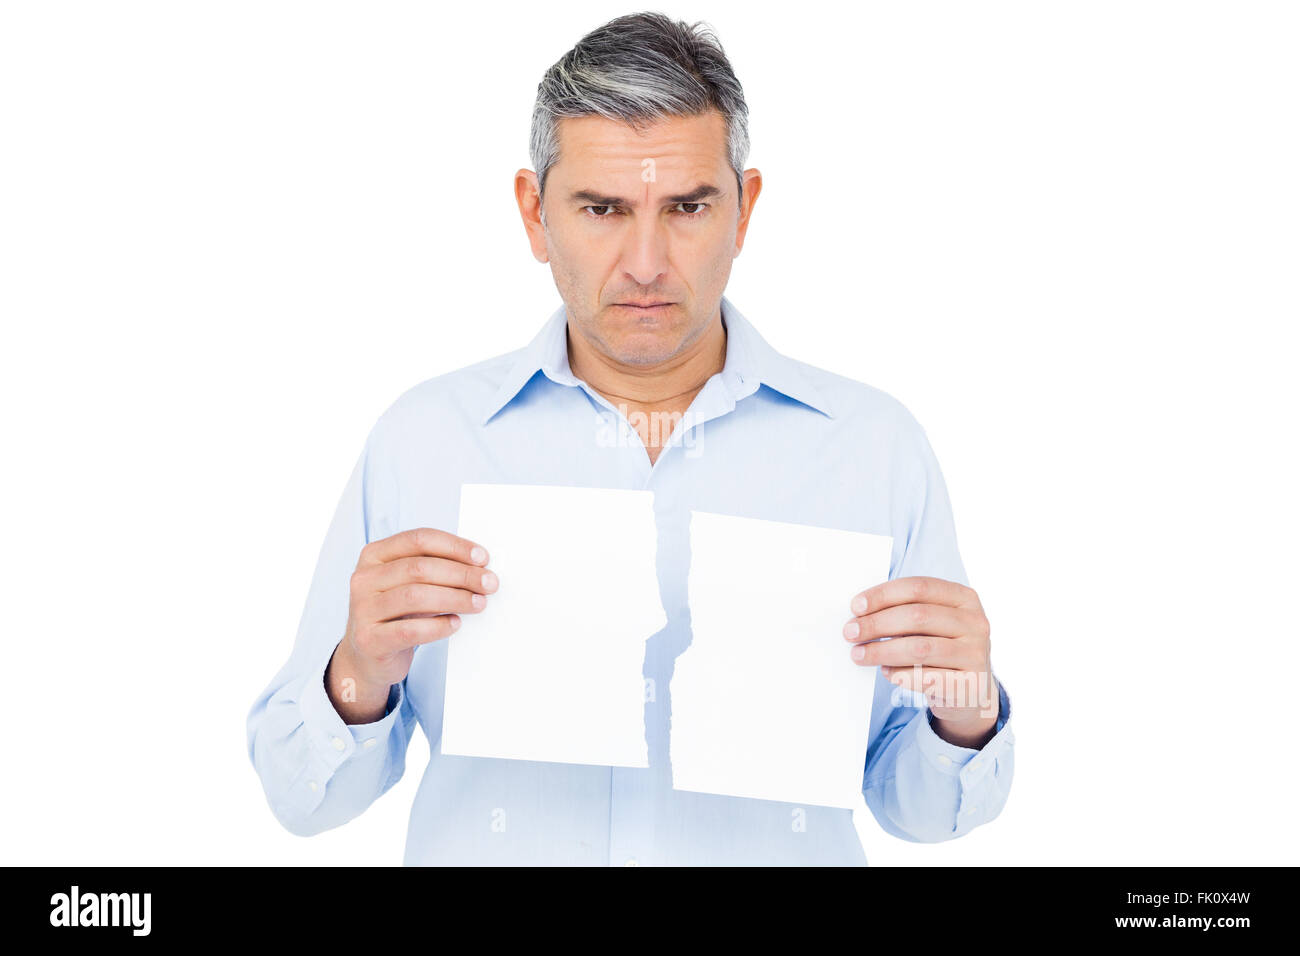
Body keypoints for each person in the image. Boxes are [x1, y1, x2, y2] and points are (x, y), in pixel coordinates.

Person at [246, 11, 1014, 866]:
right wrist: (356, 673)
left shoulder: (873, 451)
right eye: (603, 208)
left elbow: (923, 812)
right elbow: (302, 799)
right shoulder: (423, 443)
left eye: (687, 206)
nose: (646, 263)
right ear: (535, 214)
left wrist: (963, 709)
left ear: (744, 211)